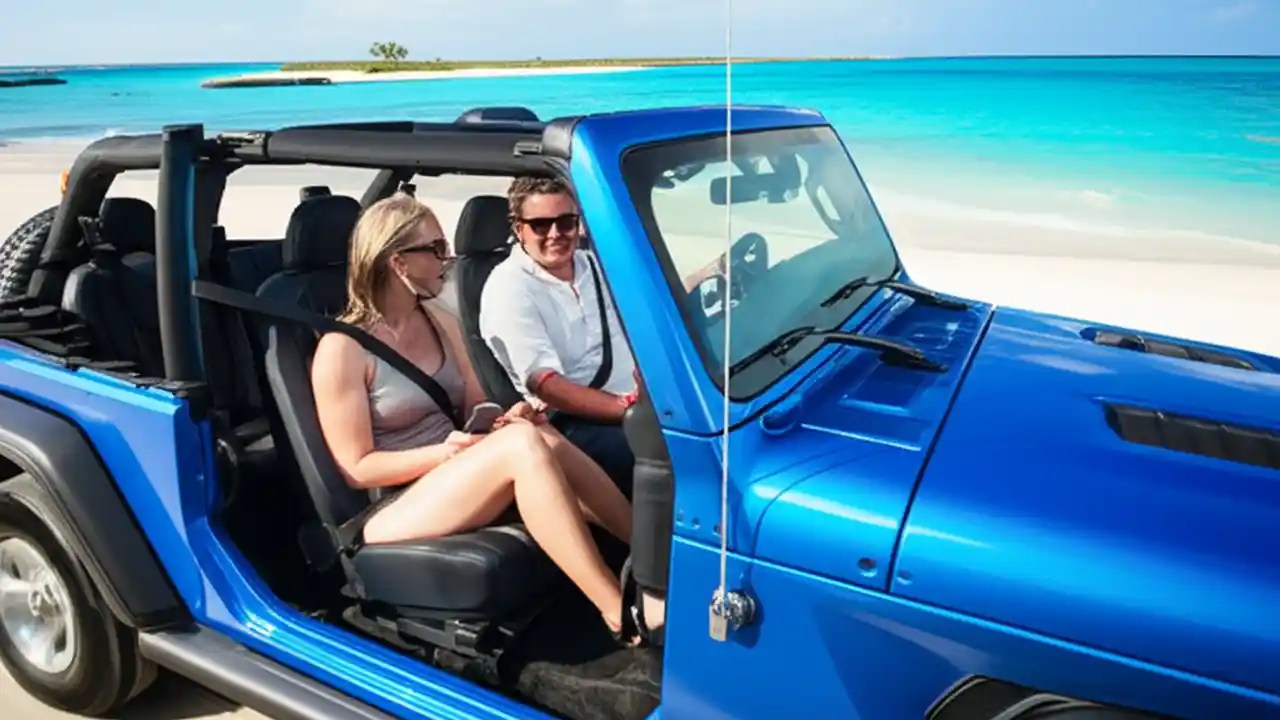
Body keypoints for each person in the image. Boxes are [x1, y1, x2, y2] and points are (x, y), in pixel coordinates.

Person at [309, 192, 637, 641]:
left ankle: (655, 565)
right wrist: (444, 454)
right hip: (392, 506)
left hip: (454, 474)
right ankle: (615, 608)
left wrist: (507, 416)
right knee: (522, 446)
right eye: (437, 249)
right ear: (398, 262)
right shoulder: (343, 349)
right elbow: (356, 468)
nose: (450, 259)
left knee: (530, 432)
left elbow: (477, 410)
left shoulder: (439, 321)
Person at [478, 176, 637, 495]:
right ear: (518, 228)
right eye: (540, 225)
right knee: (680, 457)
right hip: (575, 421)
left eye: (565, 223)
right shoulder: (510, 287)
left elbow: (647, 311)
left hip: (642, 400)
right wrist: (627, 409)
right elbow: (547, 385)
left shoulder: (594, 264)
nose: (555, 235)